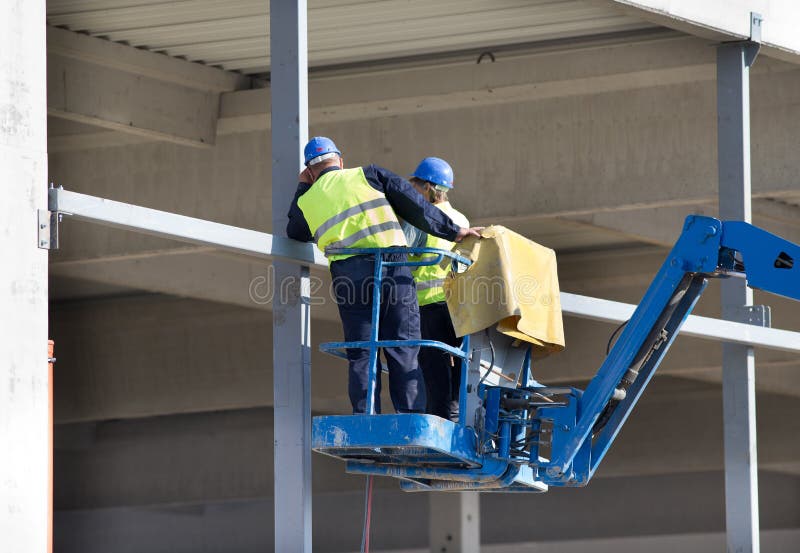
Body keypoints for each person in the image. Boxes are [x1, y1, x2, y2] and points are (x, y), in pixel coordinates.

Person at [286, 137, 482, 414]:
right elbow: (414, 205)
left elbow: (295, 232)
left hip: (348, 276)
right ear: (340, 161)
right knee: (402, 346)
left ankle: (366, 416)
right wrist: (454, 231)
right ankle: (410, 419)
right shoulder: (368, 174)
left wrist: (302, 187)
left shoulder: (308, 199)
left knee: (362, 351)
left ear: (310, 169)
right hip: (390, 267)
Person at [403, 157, 470, 422]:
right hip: (457, 307)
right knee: (455, 371)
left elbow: (404, 259)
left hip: (429, 305)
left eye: (418, 188)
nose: (415, 194)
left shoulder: (422, 218)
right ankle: (455, 420)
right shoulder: (461, 219)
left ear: (429, 188)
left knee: (433, 373)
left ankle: (443, 423)